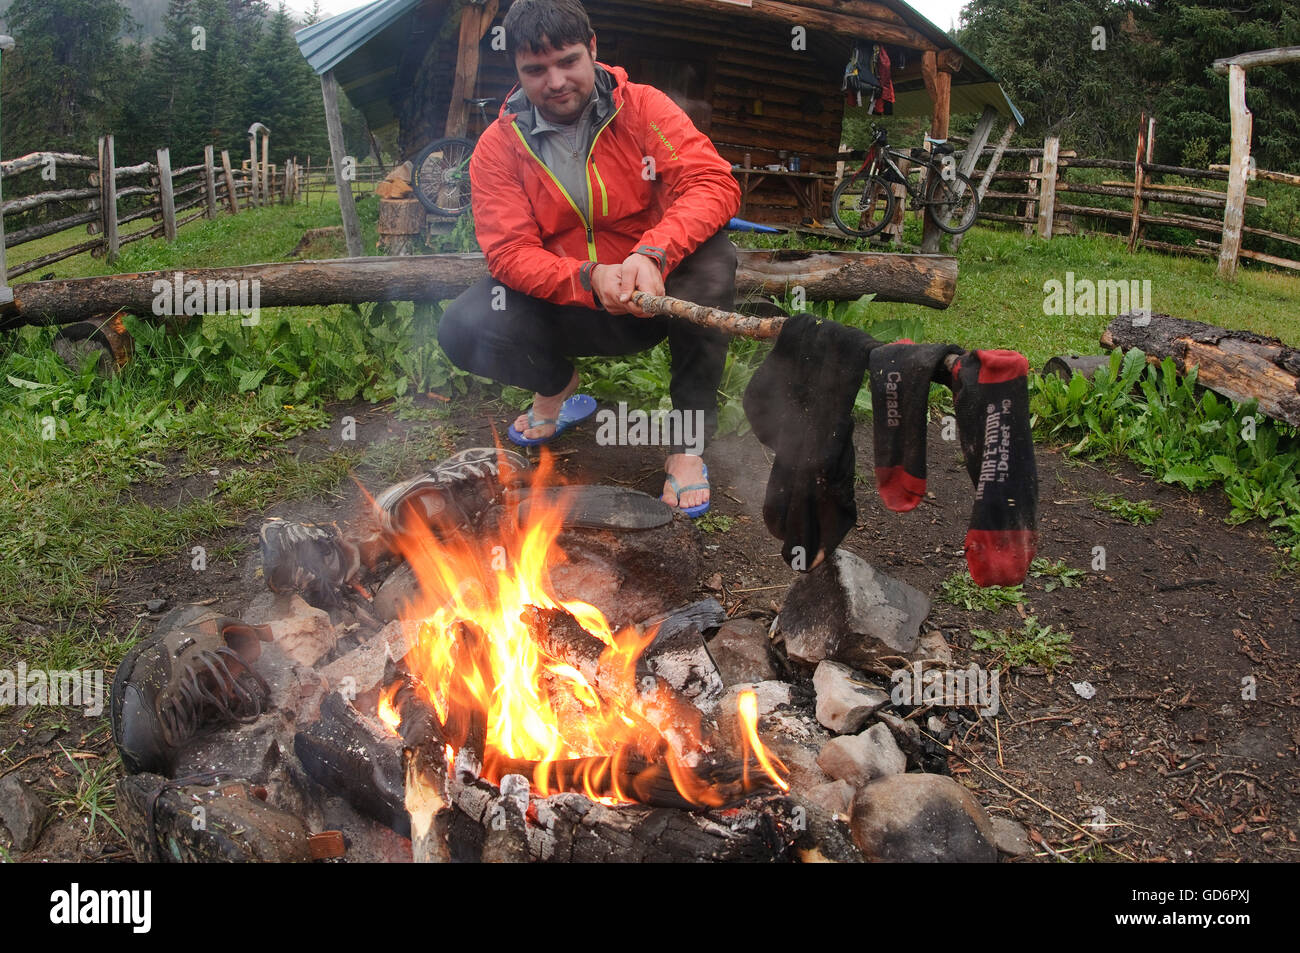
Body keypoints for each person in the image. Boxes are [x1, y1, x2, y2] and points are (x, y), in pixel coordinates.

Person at [437, 0, 741, 516]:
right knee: (462, 328)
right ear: (516, 68)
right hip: (568, 302)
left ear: (593, 49)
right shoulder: (498, 145)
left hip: (653, 298)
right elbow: (509, 252)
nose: (554, 81)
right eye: (535, 69)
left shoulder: (643, 107)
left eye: (567, 61)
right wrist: (588, 276)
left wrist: (655, 252)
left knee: (714, 265)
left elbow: (711, 182)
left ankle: (688, 445)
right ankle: (556, 386)